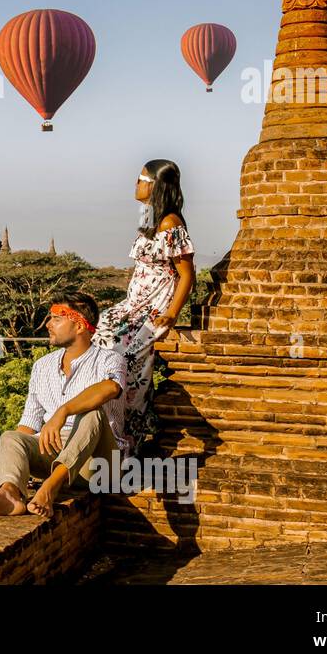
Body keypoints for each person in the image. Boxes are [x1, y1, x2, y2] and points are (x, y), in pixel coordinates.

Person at [0, 294, 124, 518]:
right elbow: (28, 424)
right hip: (55, 455)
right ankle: (9, 495)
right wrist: (18, 468)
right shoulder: (43, 366)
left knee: (93, 412)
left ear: (79, 326)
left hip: (99, 464)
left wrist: (63, 411)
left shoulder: (109, 360)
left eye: (56, 319)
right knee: (11, 437)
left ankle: (50, 488)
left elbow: (110, 388)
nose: (48, 324)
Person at [94, 159, 196, 458]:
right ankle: (98, 433)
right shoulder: (152, 220)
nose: (136, 184)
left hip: (151, 310)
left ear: (156, 184)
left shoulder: (170, 223)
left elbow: (187, 274)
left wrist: (171, 316)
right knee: (98, 342)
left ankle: (123, 444)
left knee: (124, 366)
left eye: (141, 179)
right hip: (132, 307)